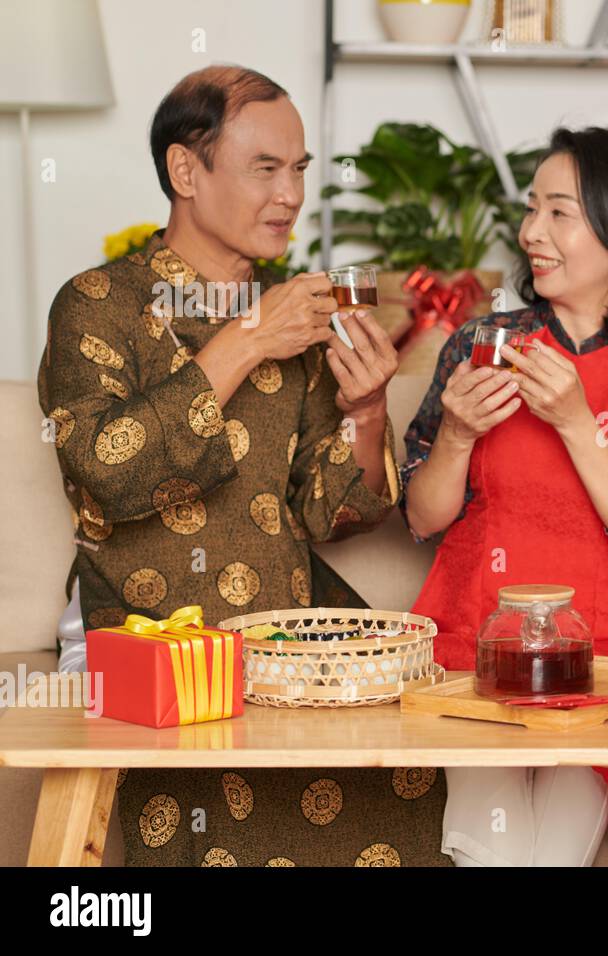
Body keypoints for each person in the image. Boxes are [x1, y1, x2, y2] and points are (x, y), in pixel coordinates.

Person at [37, 66, 451, 866]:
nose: (291, 195)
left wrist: (367, 414)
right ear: (184, 171)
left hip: (285, 621)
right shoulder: (97, 302)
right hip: (152, 620)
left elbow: (333, 515)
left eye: (299, 169)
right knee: (209, 809)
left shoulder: (297, 316)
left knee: (404, 776)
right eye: (265, 168)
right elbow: (103, 471)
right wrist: (249, 338)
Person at [401, 127, 608, 866]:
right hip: (474, 649)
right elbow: (421, 517)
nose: (532, 231)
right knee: (496, 851)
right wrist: (458, 436)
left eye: (559, 212)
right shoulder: (482, 342)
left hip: (601, 659)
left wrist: (576, 424)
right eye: (532, 209)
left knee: (552, 853)